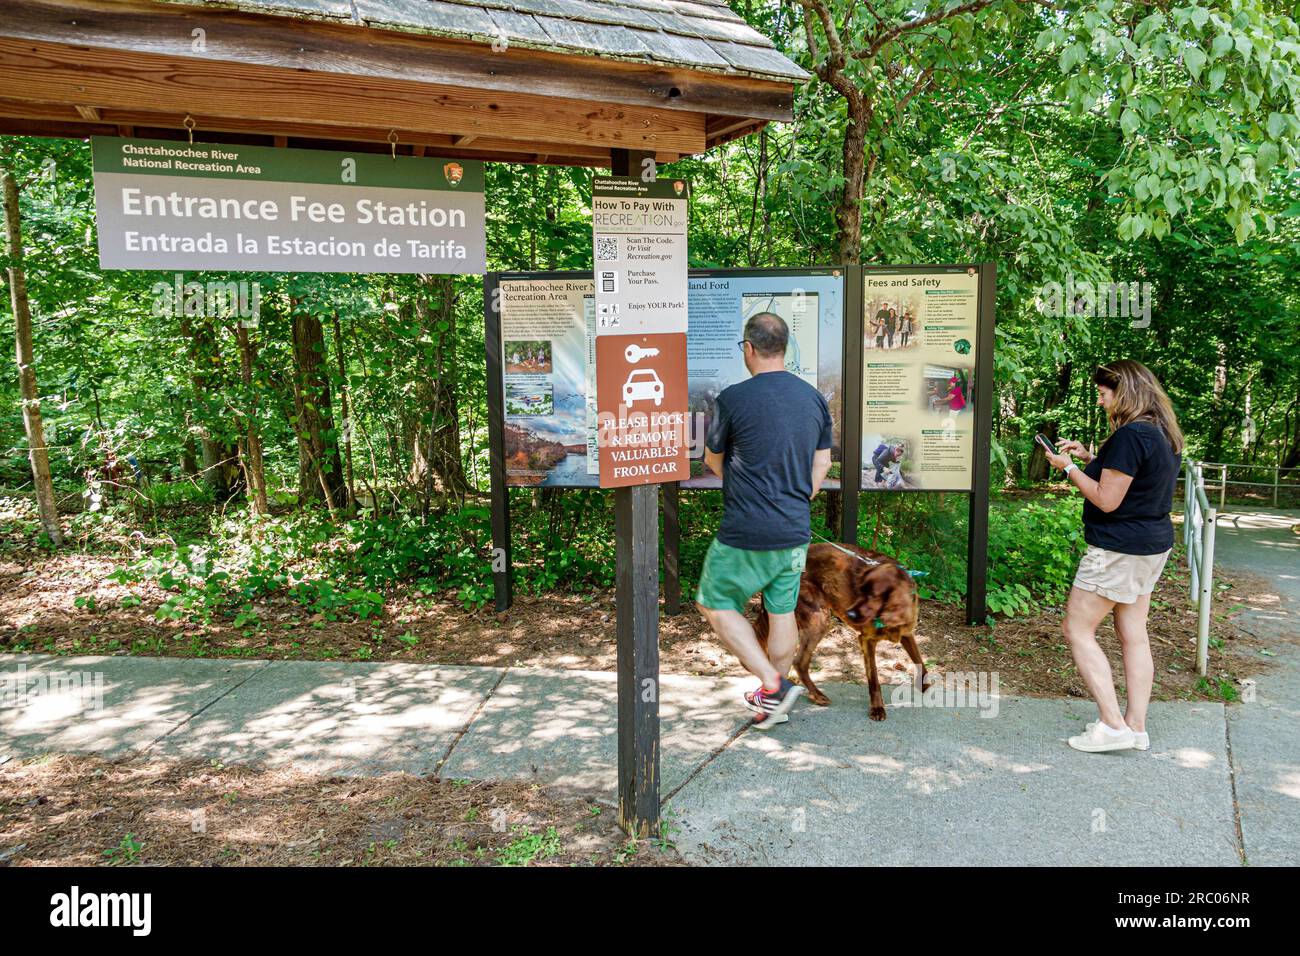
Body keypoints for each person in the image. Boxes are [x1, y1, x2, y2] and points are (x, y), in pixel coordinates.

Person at [697, 312, 834, 728]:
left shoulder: (733, 399)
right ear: (785, 347)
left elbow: (712, 460)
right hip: (794, 529)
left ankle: (773, 684)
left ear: (749, 349)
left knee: (713, 601)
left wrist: (745, 487)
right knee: (781, 612)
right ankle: (775, 699)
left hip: (746, 530)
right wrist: (799, 494)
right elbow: (823, 462)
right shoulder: (812, 398)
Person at [1043, 360, 1183, 754]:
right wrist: (1090, 458)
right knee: (1133, 634)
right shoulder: (1161, 432)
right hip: (1152, 544)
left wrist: (1068, 467)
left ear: (1124, 392)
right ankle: (1136, 726)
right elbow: (1130, 481)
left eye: (1104, 395)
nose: (1102, 403)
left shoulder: (1130, 435)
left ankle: (1112, 723)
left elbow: (1107, 499)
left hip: (1119, 549)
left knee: (1077, 629)